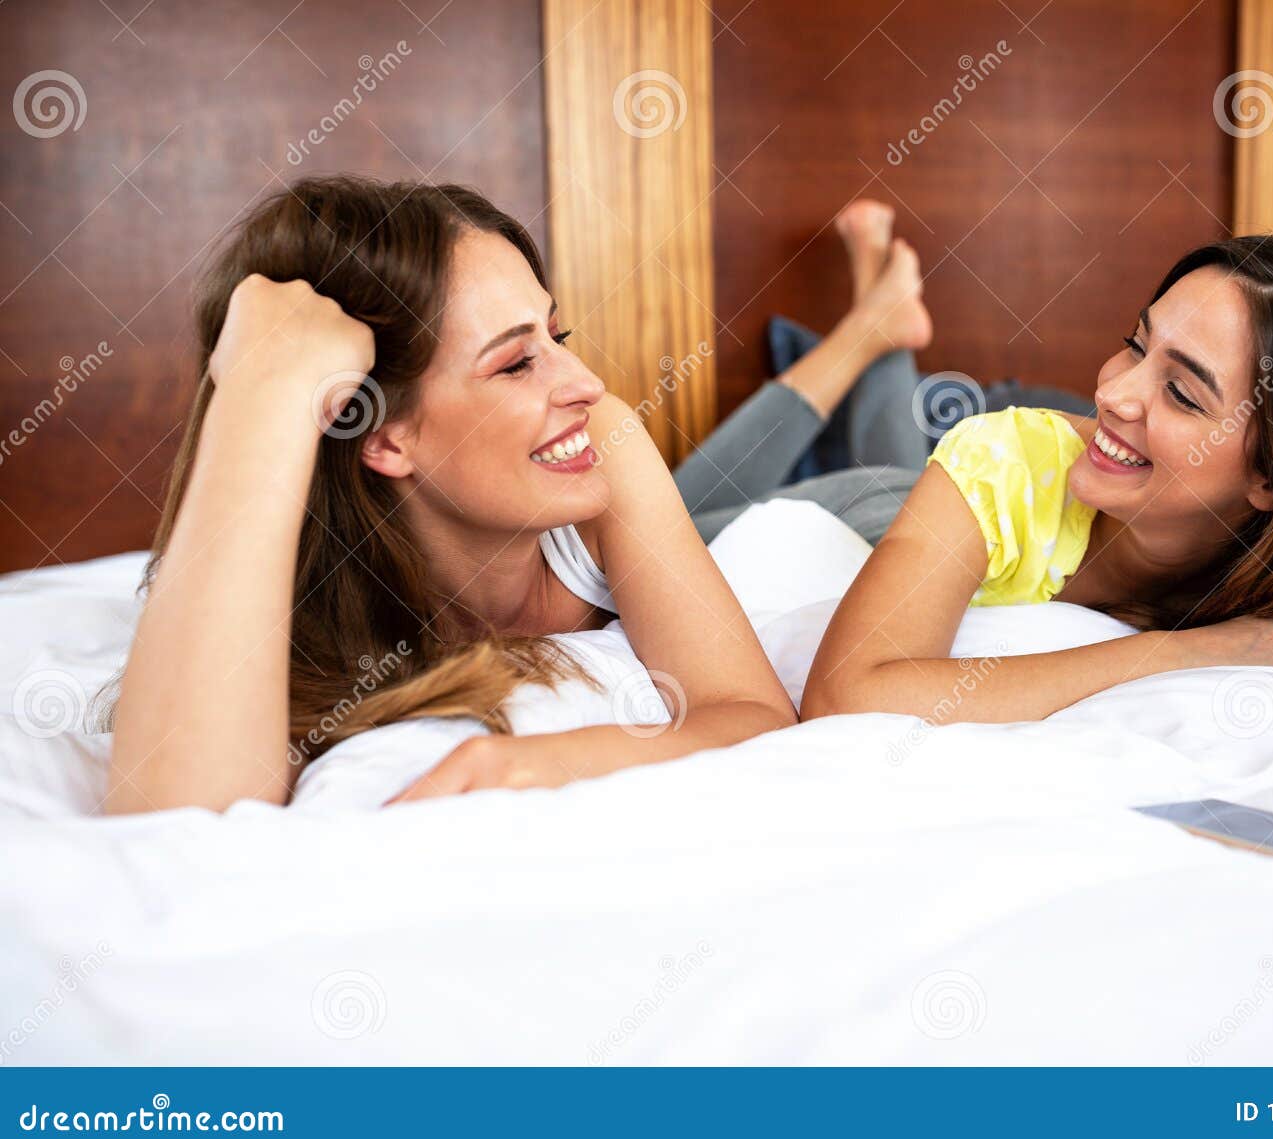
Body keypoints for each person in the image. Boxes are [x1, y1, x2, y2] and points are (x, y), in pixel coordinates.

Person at [107, 176, 808, 813]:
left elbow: (755, 716)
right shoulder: (290, 591)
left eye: (557, 333)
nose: (586, 382)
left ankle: (865, 336)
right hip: (614, 505)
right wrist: (266, 390)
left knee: (788, 490)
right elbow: (173, 816)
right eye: (517, 362)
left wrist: (545, 762)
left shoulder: (605, 434)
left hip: (834, 508)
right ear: (381, 438)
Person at [789, 209, 1273, 720]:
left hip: (1191, 477)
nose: (1112, 389)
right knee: (880, 449)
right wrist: (1183, 653)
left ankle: (883, 319)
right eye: (1136, 343)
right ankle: (874, 320)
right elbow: (847, 694)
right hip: (866, 503)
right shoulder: (1001, 461)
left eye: (1180, 389)